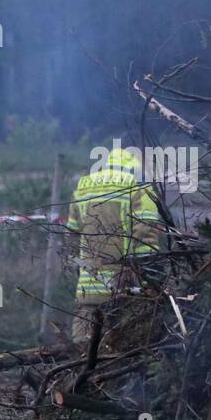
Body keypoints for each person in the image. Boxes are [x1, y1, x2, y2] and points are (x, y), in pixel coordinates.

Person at [68, 147, 160, 345]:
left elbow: (72, 233)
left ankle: (78, 367)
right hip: (128, 280)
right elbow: (146, 229)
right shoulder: (138, 186)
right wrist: (144, 270)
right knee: (124, 338)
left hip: (89, 280)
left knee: (84, 336)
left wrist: (82, 264)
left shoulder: (83, 186)